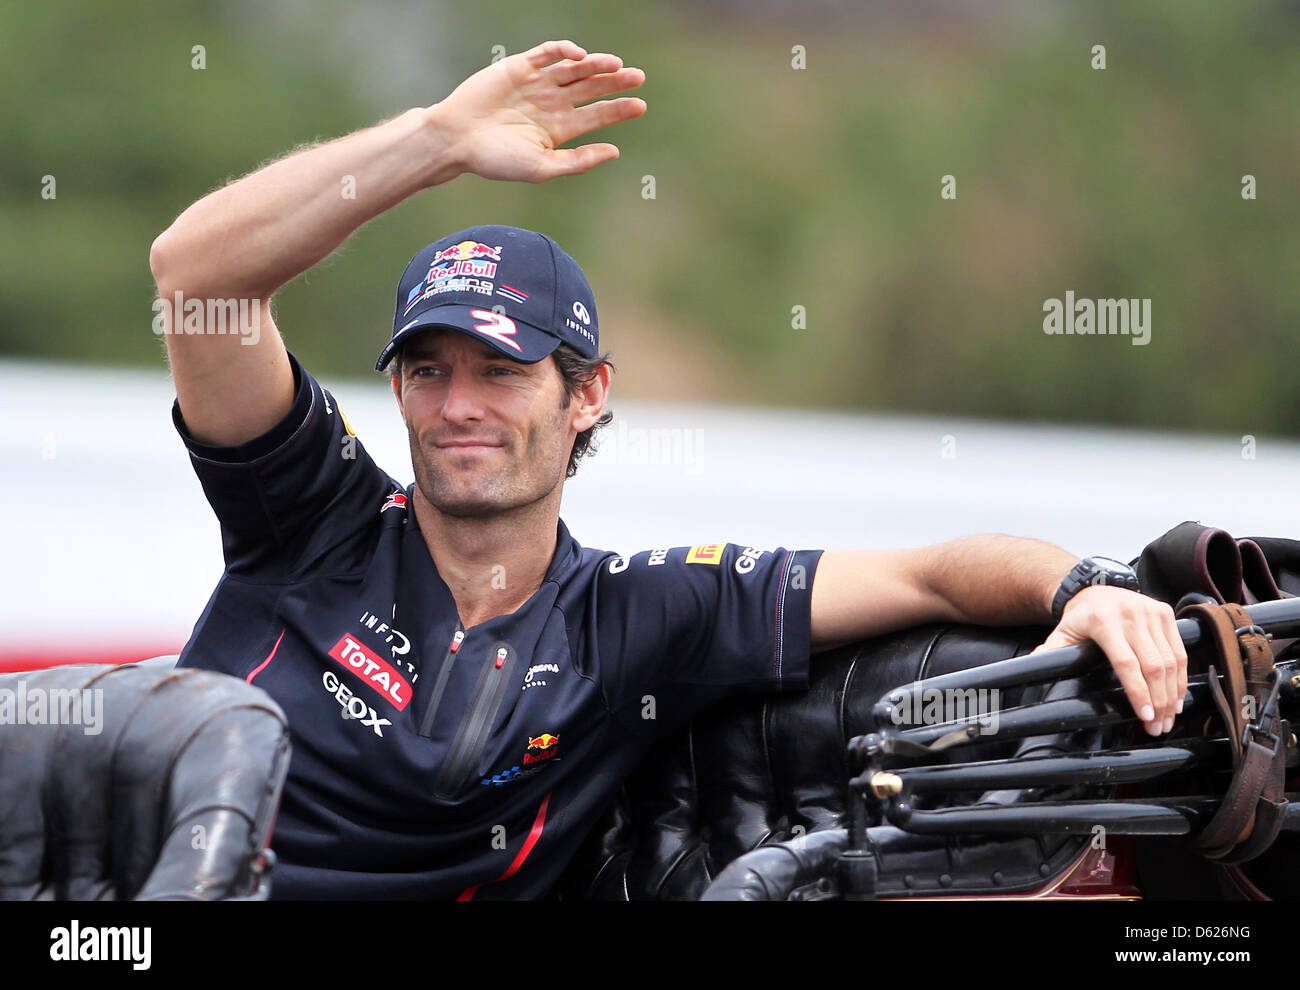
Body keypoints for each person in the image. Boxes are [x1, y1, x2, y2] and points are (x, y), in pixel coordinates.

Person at [149, 40, 1187, 900]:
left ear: (588, 394)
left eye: (500, 371)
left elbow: (934, 573)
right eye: (428, 370)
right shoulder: (311, 516)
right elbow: (195, 274)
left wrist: (1086, 590)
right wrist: (436, 142)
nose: (457, 405)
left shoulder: (634, 613)